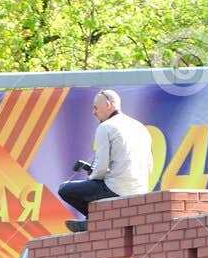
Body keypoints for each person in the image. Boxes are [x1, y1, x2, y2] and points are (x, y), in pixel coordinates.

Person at [58, 88, 154, 232]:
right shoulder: (140, 127)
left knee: (65, 189)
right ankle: (98, 219)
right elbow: (150, 166)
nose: (93, 112)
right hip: (140, 191)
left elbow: (101, 168)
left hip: (116, 190)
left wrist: (92, 176)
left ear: (108, 105)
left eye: (96, 108)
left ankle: (95, 220)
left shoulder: (106, 127)